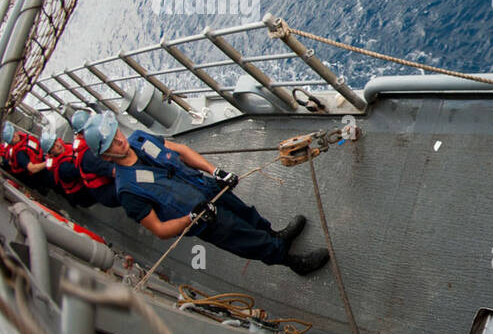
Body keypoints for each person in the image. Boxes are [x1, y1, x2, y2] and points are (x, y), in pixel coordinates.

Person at [81, 112, 329, 275]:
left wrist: (215, 171)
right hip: (206, 221)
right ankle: (293, 262)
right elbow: (159, 229)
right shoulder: (127, 191)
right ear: (105, 156)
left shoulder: (139, 138)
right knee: (249, 241)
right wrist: (191, 218)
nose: (120, 141)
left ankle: (278, 236)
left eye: (117, 133)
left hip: (207, 187)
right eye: (112, 142)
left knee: (249, 215)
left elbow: (180, 150)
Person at [69, 109, 119, 207]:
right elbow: (115, 171)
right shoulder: (88, 156)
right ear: (80, 134)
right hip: (108, 191)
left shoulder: (89, 142)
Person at [40, 129, 94, 207]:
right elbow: (85, 169)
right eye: (53, 147)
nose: (57, 145)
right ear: (50, 154)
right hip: (84, 194)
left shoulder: (67, 147)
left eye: (55, 141)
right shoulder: (63, 168)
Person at [3, 121, 52, 192]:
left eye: (14, 133)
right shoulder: (19, 154)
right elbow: (32, 169)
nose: (15, 136)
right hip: (40, 175)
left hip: (44, 162)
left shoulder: (24, 139)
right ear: (10, 143)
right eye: (12, 137)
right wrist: (48, 162)